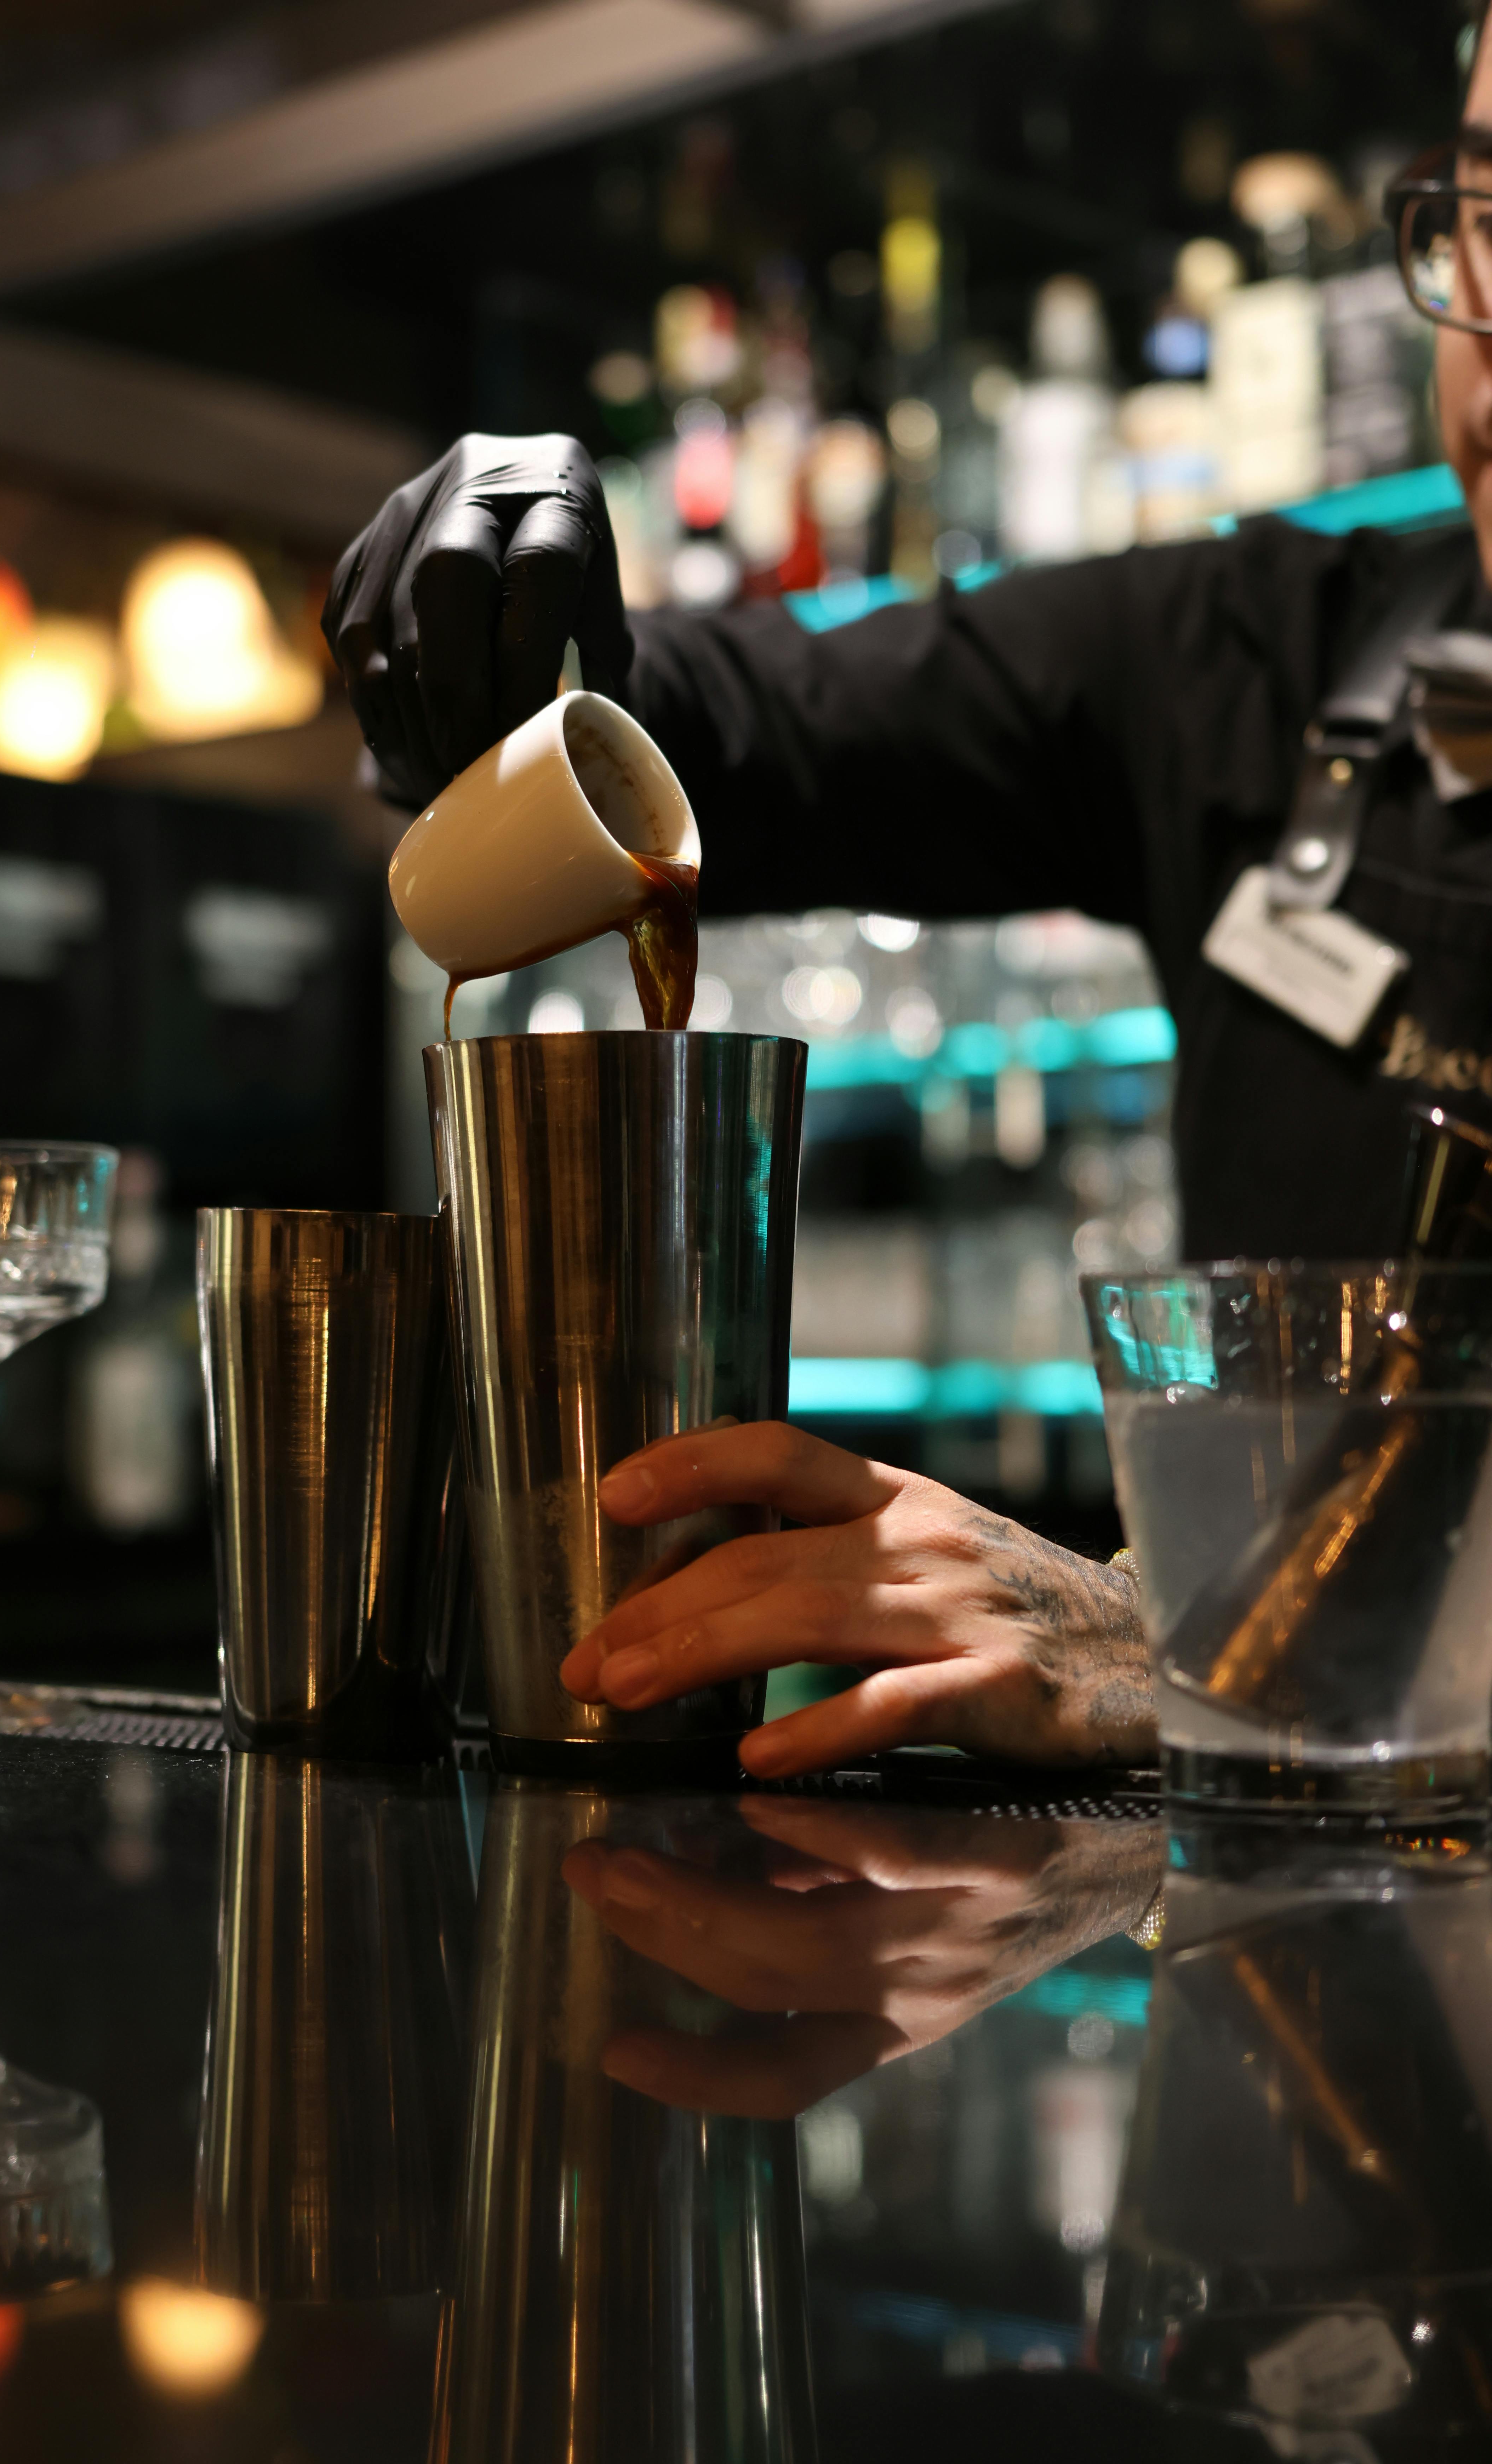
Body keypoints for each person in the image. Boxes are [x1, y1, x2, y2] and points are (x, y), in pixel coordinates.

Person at [324, 26, 1492, 1779]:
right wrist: (526, 639)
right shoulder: (1270, 667)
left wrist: (1169, 1647)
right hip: (1294, 1966)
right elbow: (765, 727)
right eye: (1484, 225)